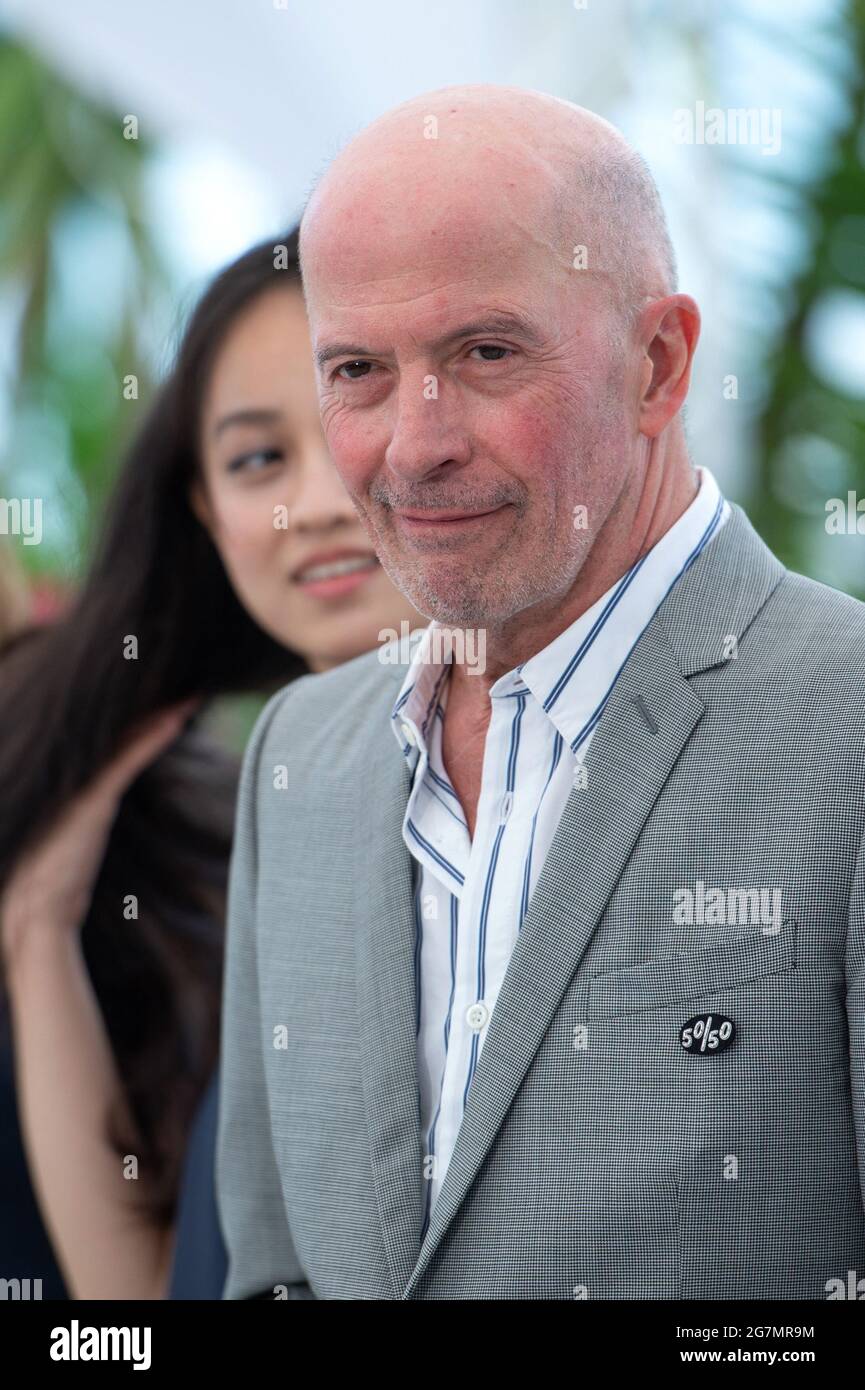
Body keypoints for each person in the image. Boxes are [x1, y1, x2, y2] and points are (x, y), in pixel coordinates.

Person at [217, 84, 865, 1300]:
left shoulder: (845, 726)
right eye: (358, 370)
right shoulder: (300, 758)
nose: (415, 444)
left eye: (486, 352)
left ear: (658, 364)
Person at [0, 229, 422, 1300]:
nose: (319, 502)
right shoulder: (269, 840)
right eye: (257, 459)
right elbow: (139, 1306)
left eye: (355, 419)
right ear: (206, 510)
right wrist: (38, 927)